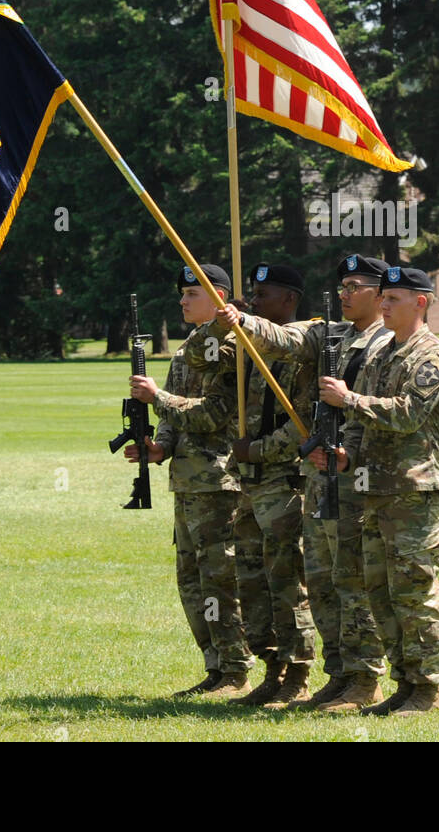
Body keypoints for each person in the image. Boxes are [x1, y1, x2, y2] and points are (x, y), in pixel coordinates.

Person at [214, 253, 392, 712]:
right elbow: (288, 339)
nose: (346, 294)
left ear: (380, 292)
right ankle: (338, 674)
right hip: (319, 477)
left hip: (360, 477)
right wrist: (246, 321)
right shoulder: (329, 334)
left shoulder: (388, 343)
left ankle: (364, 678)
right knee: (324, 579)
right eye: (343, 286)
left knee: (354, 580)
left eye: (356, 286)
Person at [315, 266, 439, 716]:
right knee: (379, 592)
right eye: (383, 298)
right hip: (375, 490)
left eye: (394, 299)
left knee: (414, 593)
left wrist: (349, 399)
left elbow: (407, 415)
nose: (383, 305)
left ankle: (427, 688)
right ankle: (403, 683)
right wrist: (345, 456)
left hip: (415, 492)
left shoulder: (433, 355)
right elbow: (361, 428)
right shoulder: (382, 356)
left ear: (421, 302)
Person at [182, 262, 316, 707]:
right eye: (252, 295)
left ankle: (298, 675)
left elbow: (303, 426)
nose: (255, 301)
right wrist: (226, 322)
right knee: (252, 579)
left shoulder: (305, 342)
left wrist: (256, 452)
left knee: (286, 580)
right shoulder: (244, 339)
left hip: (284, 481)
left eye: (264, 296)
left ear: (289, 300)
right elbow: (197, 359)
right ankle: (271, 668)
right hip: (249, 484)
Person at [126, 263, 252, 699]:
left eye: (192, 294)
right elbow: (174, 420)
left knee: (220, 578)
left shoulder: (229, 347)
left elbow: (215, 413)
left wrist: (156, 397)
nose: (182, 301)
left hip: (219, 481)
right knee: (191, 578)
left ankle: (236, 669)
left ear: (218, 297)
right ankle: (215, 666)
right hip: (187, 481)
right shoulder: (186, 350)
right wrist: (159, 448)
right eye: (181, 294)